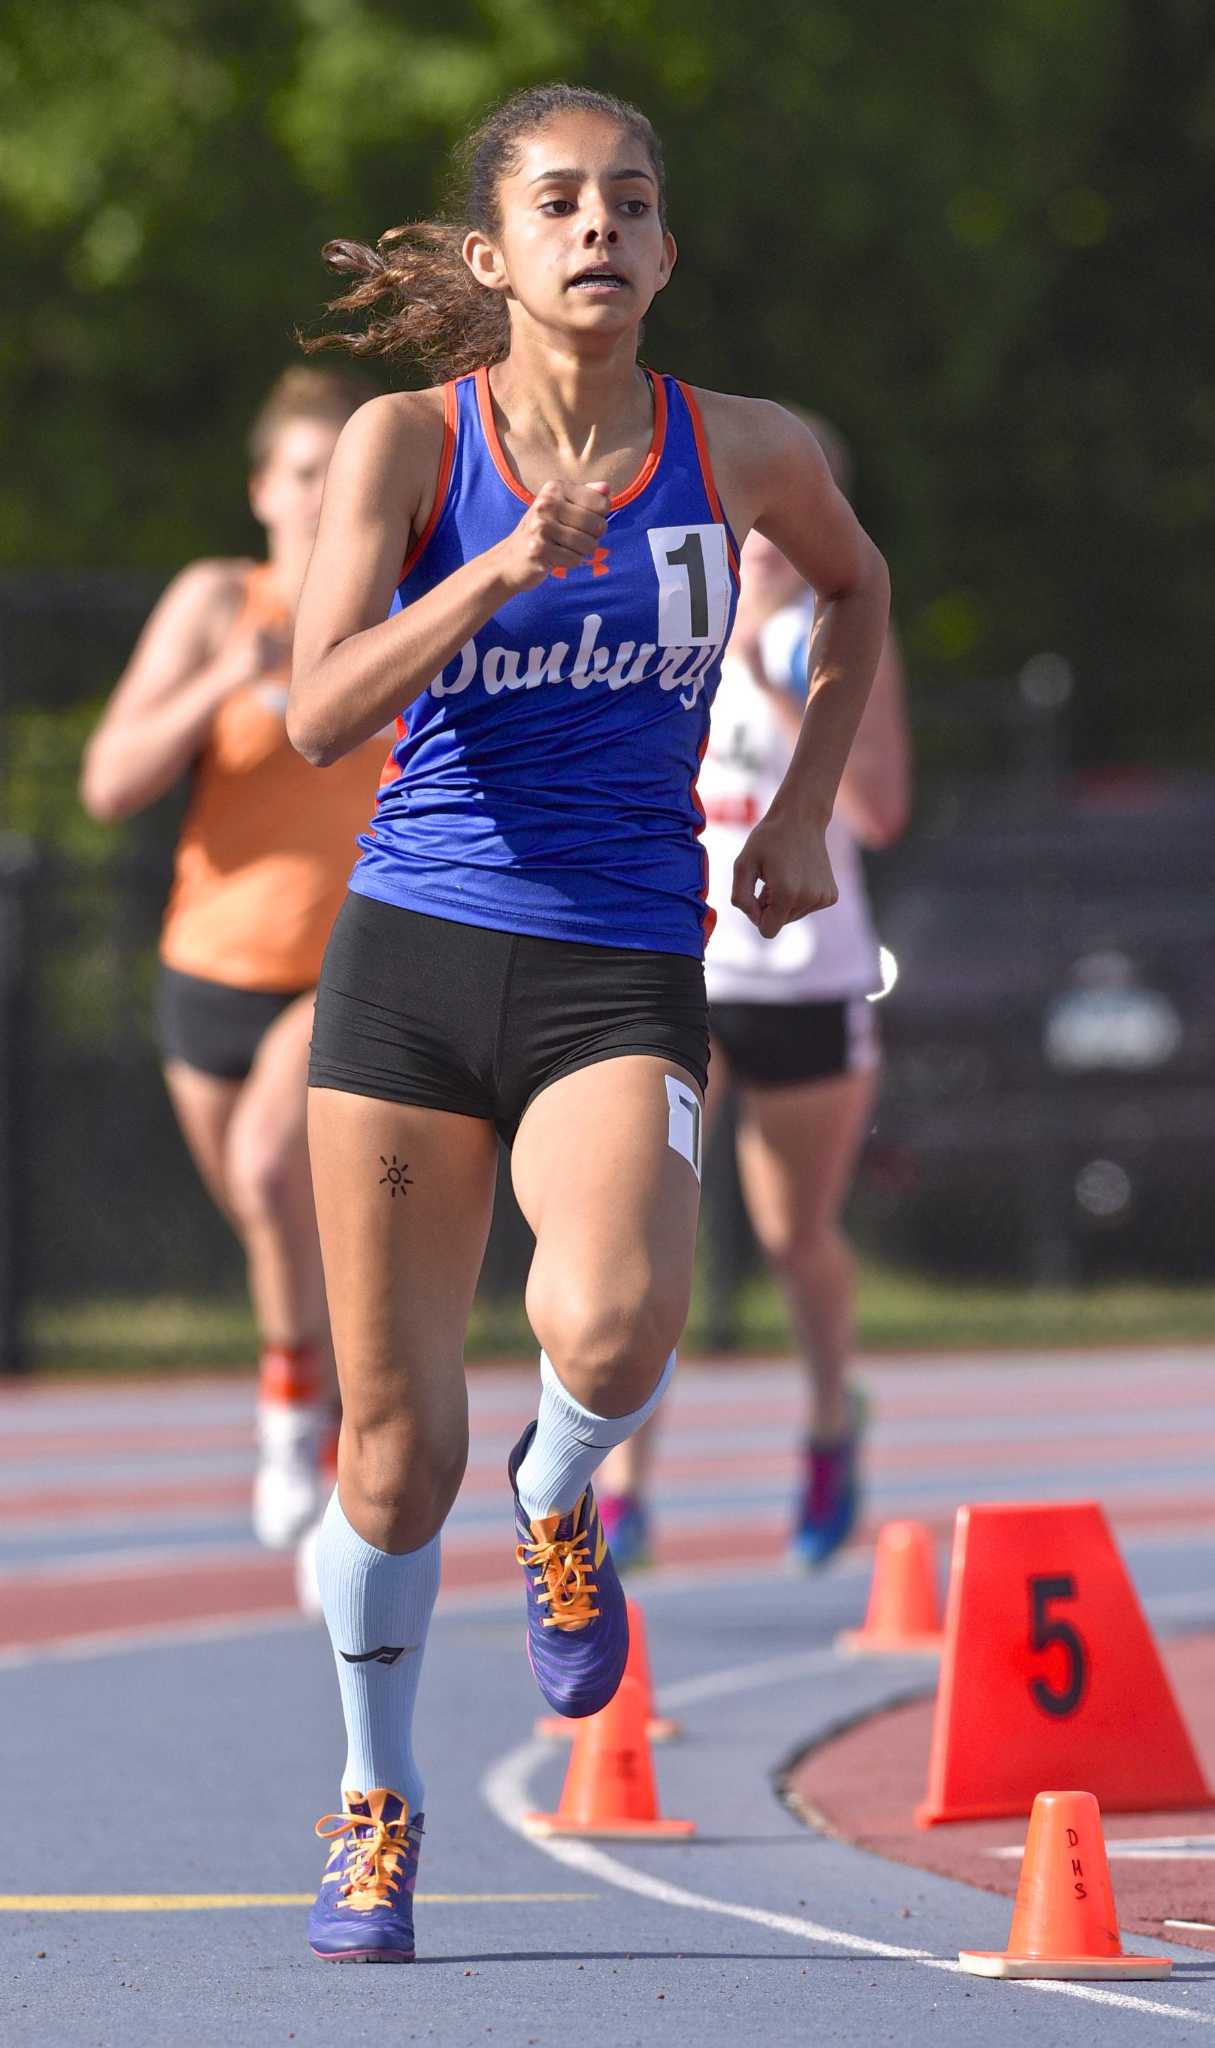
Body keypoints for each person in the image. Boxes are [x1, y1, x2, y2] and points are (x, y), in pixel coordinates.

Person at [286, 81, 889, 1963]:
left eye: (628, 201)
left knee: (616, 1319)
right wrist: (496, 567)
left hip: (618, 956)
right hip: (411, 963)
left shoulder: (741, 447)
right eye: (558, 203)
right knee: (392, 1457)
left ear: (666, 250)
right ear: (495, 253)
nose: (597, 228)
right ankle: (375, 1802)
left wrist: (798, 813)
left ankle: (560, 1490)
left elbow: (857, 588)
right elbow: (315, 711)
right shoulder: (408, 443)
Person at [79, 367, 381, 1550]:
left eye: (339, 472)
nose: (318, 495)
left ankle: (292, 1427)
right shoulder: (216, 601)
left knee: (269, 1170)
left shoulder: (405, 603)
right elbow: (109, 782)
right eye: (301, 473)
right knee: (286, 1235)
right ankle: (349, 1435)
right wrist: (232, 675)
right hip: (209, 971)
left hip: (352, 965)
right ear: (261, 488)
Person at [598, 496, 910, 1573]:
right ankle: (623, 1486)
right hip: (685, 967)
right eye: (749, 520)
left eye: (788, 524)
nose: (765, 546)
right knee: (646, 1228)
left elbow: (878, 811)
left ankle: (829, 1419)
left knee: (793, 1236)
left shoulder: (835, 641)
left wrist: (771, 687)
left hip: (806, 976)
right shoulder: (663, 627)